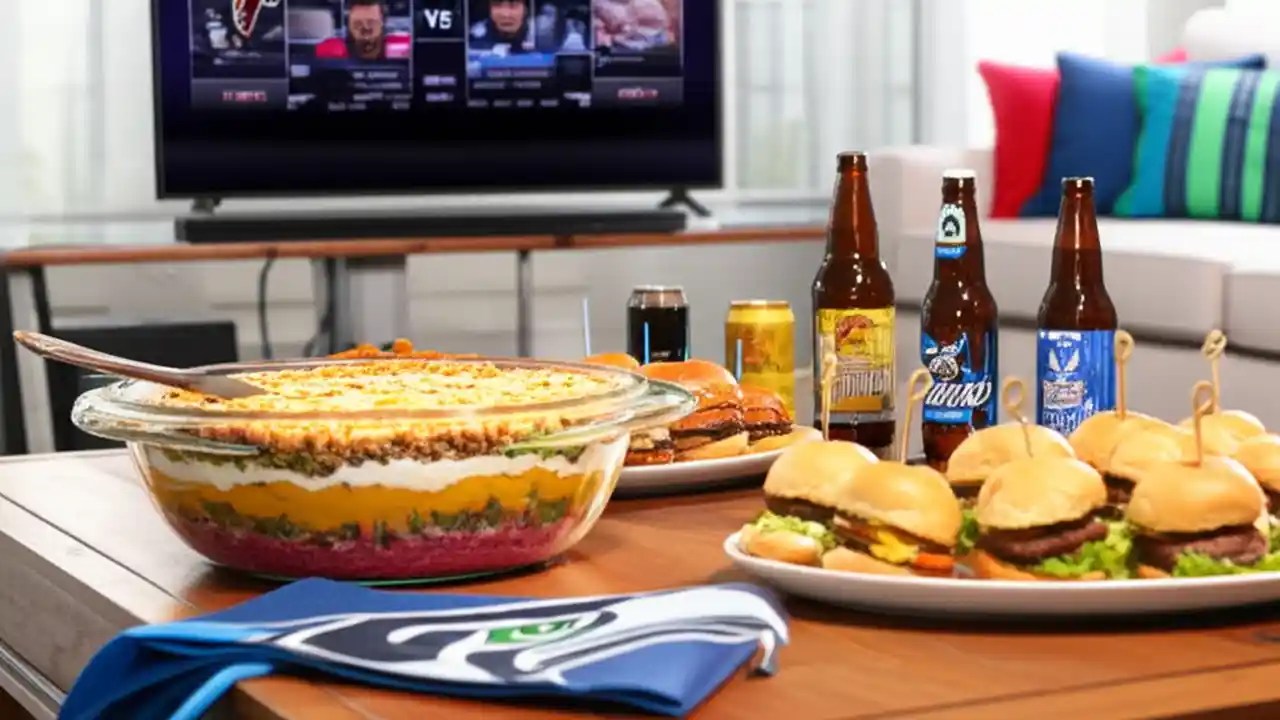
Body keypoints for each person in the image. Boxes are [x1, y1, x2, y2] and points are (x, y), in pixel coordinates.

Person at [315, 0, 388, 60]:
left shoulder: (397, 53)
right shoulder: (329, 53)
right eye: (358, 24)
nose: (365, 28)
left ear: (382, 23)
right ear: (349, 25)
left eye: (371, 22)